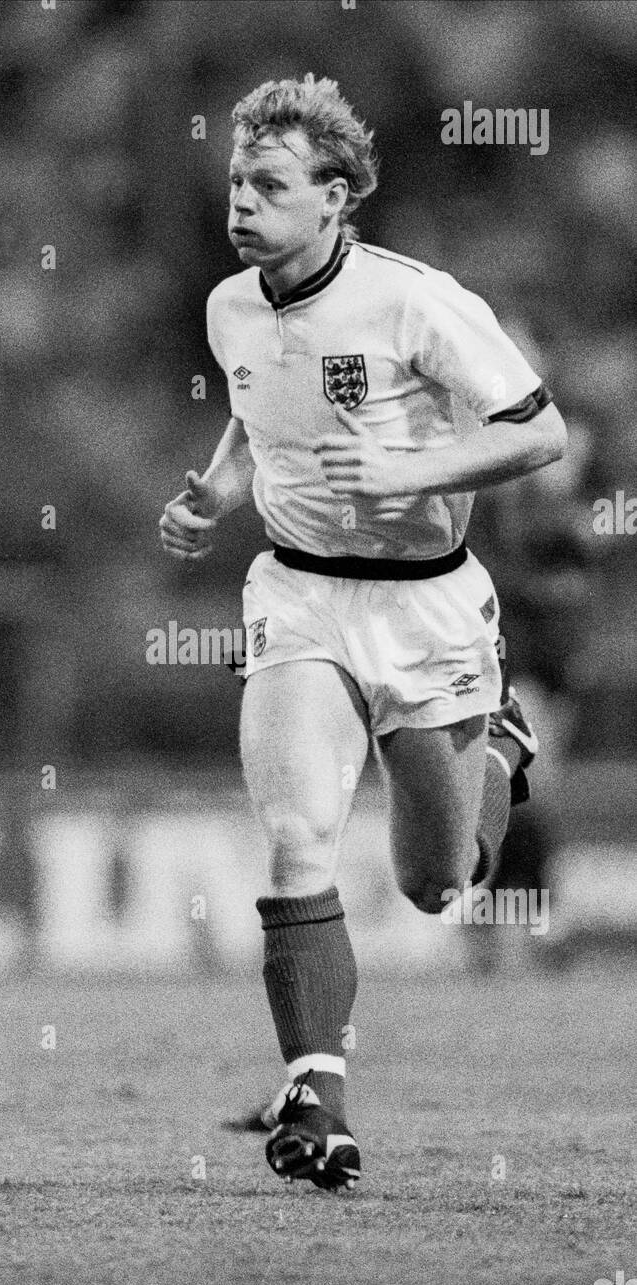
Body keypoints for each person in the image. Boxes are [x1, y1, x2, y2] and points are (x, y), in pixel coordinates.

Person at [158, 75, 566, 1191]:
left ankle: (498, 746)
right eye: (237, 179)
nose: (241, 201)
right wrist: (215, 491)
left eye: (269, 184)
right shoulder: (230, 305)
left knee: (436, 883)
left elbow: (539, 436)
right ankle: (315, 1101)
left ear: (334, 197)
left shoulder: (418, 303)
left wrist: (407, 468)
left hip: (427, 606)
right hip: (297, 596)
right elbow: (254, 409)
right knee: (296, 834)